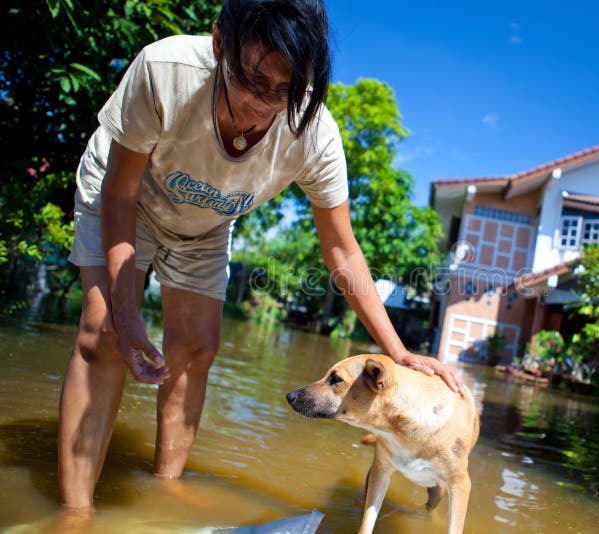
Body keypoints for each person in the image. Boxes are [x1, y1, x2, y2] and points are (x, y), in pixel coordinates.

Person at [59, 0, 463, 510]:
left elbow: (341, 249)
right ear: (220, 44)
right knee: (103, 333)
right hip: (124, 195)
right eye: (252, 82)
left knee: (198, 348)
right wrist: (125, 307)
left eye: (285, 90)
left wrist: (398, 351)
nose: (265, 105)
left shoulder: (314, 131)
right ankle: (74, 514)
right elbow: (119, 192)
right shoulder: (166, 71)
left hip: (203, 225)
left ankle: (163, 490)